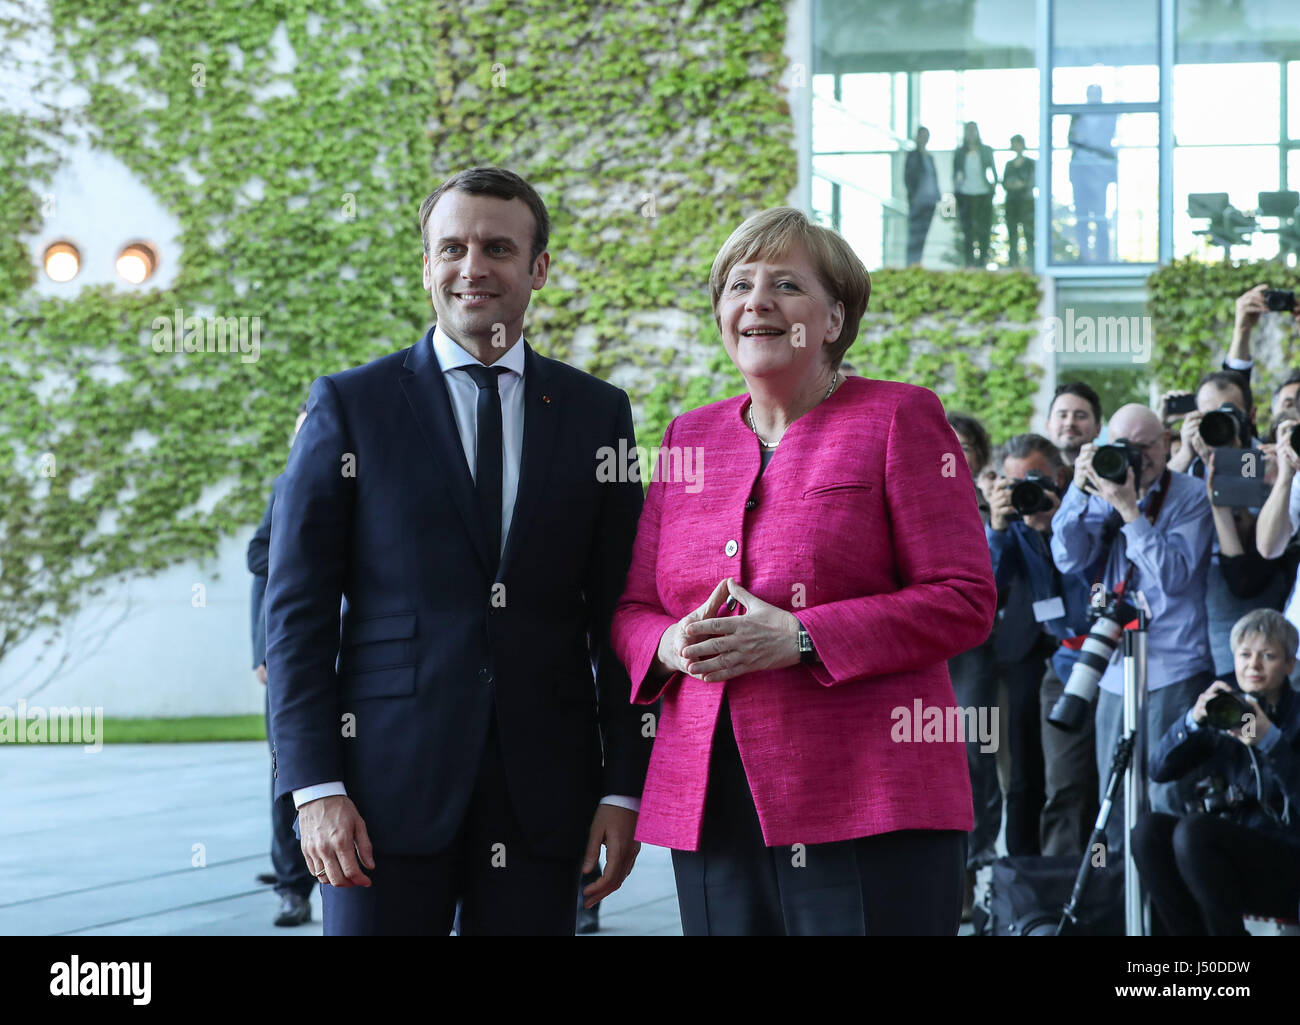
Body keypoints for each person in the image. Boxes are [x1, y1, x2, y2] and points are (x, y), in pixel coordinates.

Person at [265, 167, 653, 935]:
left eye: (498, 248)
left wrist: (622, 788)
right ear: (427, 266)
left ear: (538, 268)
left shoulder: (597, 413)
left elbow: (621, 614)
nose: (472, 267)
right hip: (376, 797)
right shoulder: (350, 405)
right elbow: (296, 616)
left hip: (546, 796)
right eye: (452, 248)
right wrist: (314, 787)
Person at [610, 206, 997, 936]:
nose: (756, 301)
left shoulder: (900, 417)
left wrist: (802, 637)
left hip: (872, 801)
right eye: (738, 285)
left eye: (785, 284)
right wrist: (667, 643)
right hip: (712, 804)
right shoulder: (688, 436)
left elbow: (965, 598)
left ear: (834, 317)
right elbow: (632, 610)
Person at [1051, 403, 1215, 854]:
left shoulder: (1191, 495)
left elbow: (1175, 577)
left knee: (1168, 794)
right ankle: (1121, 892)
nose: (1137, 458)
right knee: (1116, 795)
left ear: (1166, 443)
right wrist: (1081, 491)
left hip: (1174, 666)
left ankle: (1168, 897)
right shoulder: (1099, 487)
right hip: (1113, 666)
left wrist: (1130, 511)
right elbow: (1067, 557)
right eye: (1125, 446)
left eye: (1147, 446)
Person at [1132, 609, 1300, 936]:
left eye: (1268, 656)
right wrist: (1193, 721)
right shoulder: (1226, 709)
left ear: (1289, 665)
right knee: (1147, 831)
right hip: (1226, 855)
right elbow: (1160, 770)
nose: (1253, 665)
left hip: (1287, 862)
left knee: (1195, 831)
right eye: (1245, 655)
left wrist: (1271, 742)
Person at [248, 403, 314, 926]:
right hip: (293, 653)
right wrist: (263, 651)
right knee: (286, 773)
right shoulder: (288, 485)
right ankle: (292, 886)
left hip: (356, 653)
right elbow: (259, 563)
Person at [1039, 382, 1103, 855]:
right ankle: (1058, 884)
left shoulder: (1114, 481)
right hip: (1061, 659)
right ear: (1048, 424)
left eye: (1081, 415)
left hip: (1121, 655)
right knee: (1062, 785)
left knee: (1116, 781)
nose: (1070, 423)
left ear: (1098, 427)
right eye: (1062, 414)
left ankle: (1120, 888)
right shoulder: (1031, 477)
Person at [946, 413, 1001, 917]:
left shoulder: (993, 503)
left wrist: (998, 524)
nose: (954, 453)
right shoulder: (911, 492)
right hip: (922, 646)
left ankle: (973, 871)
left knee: (973, 758)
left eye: (964, 445)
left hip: (975, 653)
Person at [1068, 85, 1118, 263]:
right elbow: (1071, 139)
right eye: (1091, 94)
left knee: (1100, 215)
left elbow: (1107, 138)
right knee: (1081, 216)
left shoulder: (1109, 115)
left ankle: (1103, 257)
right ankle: (1084, 255)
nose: (1094, 97)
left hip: (1099, 171)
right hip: (1080, 170)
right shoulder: (1077, 115)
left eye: (1097, 94)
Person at [952, 121, 997, 268]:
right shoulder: (960, 152)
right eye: (968, 130)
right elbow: (955, 173)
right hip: (965, 194)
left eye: (973, 130)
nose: (971, 133)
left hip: (983, 193)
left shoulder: (986, 150)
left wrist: (992, 187)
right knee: (968, 230)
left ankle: (982, 260)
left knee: (984, 229)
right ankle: (969, 262)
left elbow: (993, 172)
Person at [904, 126, 940, 266]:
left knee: (924, 233)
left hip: (930, 201)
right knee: (914, 233)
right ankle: (911, 263)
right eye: (922, 135)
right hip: (918, 201)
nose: (924, 138)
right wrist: (912, 196)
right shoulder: (913, 156)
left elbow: (934, 178)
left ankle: (917, 262)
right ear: (917, 137)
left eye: (926, 135)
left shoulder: (929, 158)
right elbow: (908, 178)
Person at [1002, 134, 1035, 268]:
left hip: (1026, 202)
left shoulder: (1030, 163)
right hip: (1012, 202)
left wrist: (1022, 184)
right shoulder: (1009, 164)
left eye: (1018, 143)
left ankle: (1031, 262)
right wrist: (1013, 185)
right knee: (1012, 234)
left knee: (1028, 233)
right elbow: (1004, 182)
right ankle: (1013, 262)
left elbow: (1032, 181)